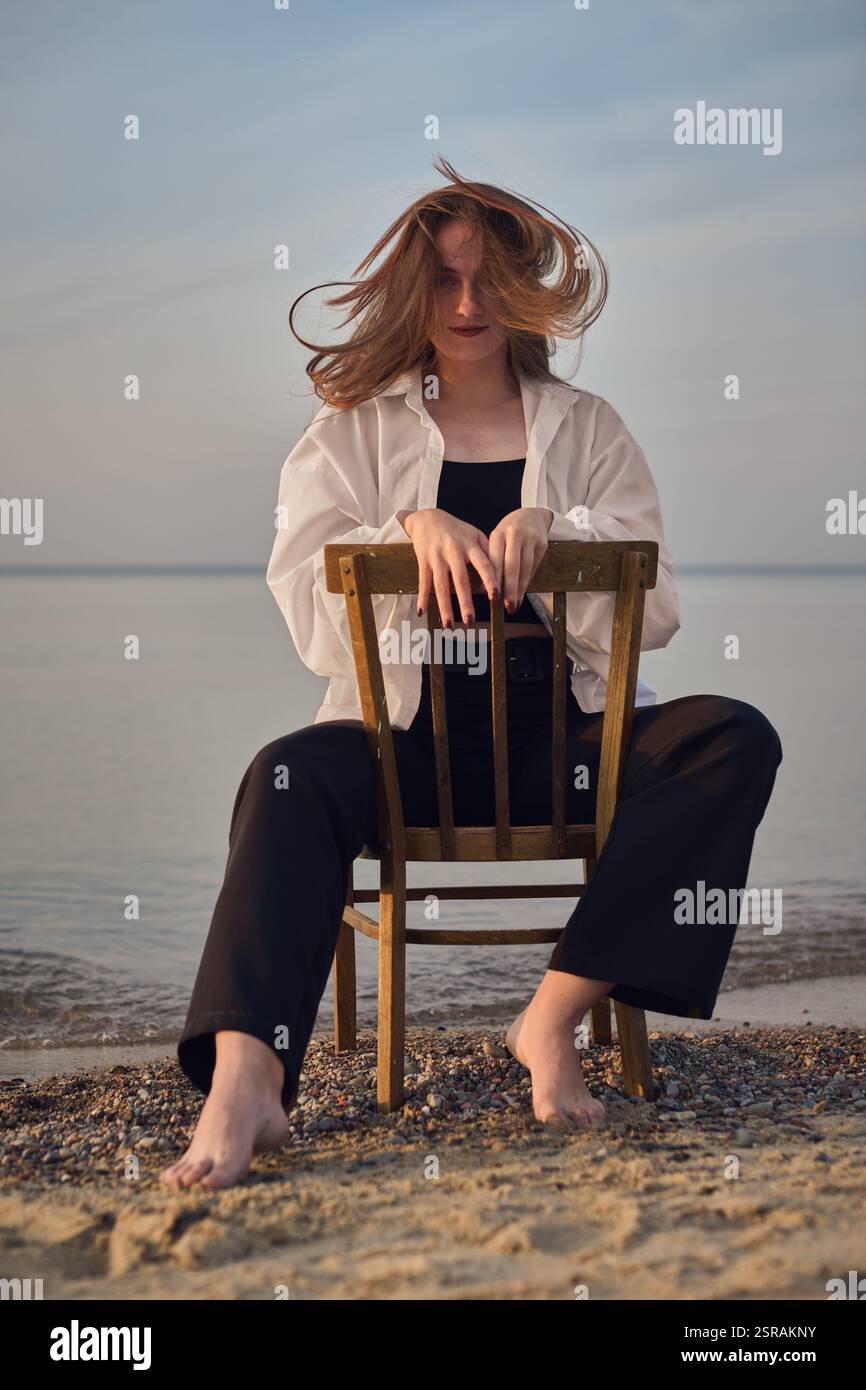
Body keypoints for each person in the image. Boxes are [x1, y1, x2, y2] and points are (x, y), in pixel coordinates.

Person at [162, 158, 782, 1190]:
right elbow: (310, 620)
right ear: (414, 292)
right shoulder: (348, 432)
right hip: (400, 747)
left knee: (733, 738)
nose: (465, 303)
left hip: (564, 745)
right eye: (444, 280)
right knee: (280, 775)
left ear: (523, 291)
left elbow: (658, 608)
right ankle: (247, 1080)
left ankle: (548, 1020)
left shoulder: (588, 429)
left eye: (488, 279)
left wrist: (558, 531)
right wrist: (409, 531)